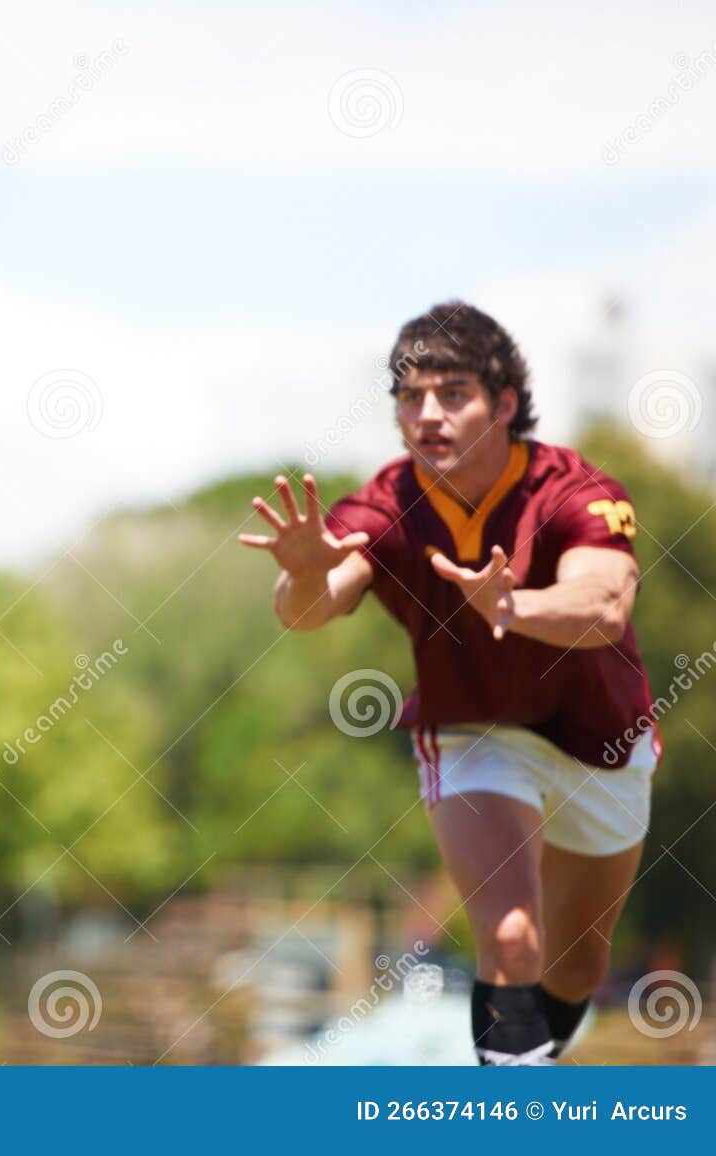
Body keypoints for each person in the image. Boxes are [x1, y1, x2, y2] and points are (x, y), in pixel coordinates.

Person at [239, 301, 657, 1065]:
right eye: (410, 396)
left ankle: (532, 1066)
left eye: (453, 393)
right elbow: (312, 608)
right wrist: (301, 575)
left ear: (504, 405)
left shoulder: (576, 490)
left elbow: (604, 604)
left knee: (575, 970)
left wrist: (511, 605)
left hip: (602, 742)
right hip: (474, 734)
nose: (427, 412)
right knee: (510, 937)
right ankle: (499, 1116)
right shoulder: (388, 501)